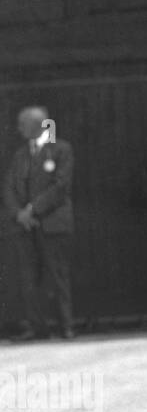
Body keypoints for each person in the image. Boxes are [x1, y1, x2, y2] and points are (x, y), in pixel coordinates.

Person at [3, 107, 75, 341]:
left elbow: (60, 186)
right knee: (29, 279)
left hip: (52, 224)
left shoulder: (61, 149)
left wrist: (33, 209)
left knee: (58, 276)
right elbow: (9, 188)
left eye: (23, 124)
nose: (19, 129)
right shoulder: (20, 155)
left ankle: (66, 326)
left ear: (37, 125)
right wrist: (19, 214)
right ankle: (38, 327)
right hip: (25, 226)